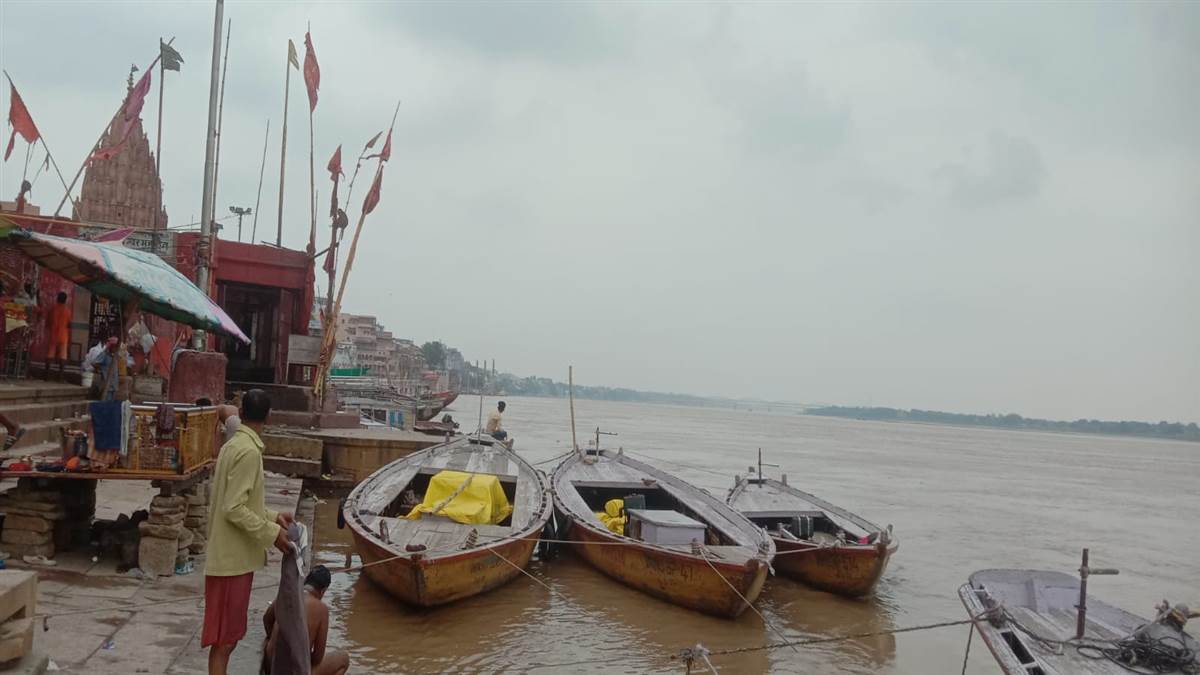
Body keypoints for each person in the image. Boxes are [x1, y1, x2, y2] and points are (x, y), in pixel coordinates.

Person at [203, 389, 294, 675]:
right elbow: (233, 508)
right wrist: (271, 533)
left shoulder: (233, 445)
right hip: (232, 561)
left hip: (228, 558)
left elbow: (242, 502)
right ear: (269, 416)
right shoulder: (248, 452)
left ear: (241, 413)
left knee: (225, 641)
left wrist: (272, 517)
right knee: (225, 642)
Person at [261, 565, 350, 675]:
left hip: (271, 666)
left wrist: (273, 641)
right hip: (292, 671)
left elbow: (266, 619)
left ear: (306, 581)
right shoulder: (321, 609)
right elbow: (318, 657)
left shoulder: (287, 594)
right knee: (343, 659)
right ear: (323, 591)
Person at [44, 292, 70, 381]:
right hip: (63, 335)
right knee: (63, 356)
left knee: (50, 354)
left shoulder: (52, 309)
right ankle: (60, 377)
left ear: (57, 298)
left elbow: (47, 322)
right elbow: (69, 324)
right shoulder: (67, 311)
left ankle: (46, 375)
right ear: (65, 300)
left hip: (53, 334)